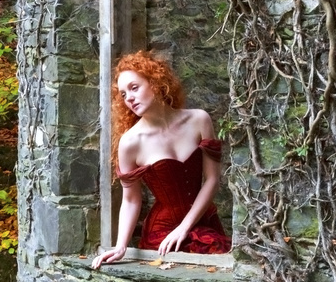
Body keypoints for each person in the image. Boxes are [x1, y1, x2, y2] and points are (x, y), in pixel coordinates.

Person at [91, 50, 231, 269]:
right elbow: (130, 200)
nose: (129, 98)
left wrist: (184, 227)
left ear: (155, 82)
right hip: (162, 232)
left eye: (134, 88)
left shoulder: (199, 120)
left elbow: (212, 179)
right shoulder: (130, 143)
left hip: (204, 221)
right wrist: (120, 247)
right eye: (123, 94)